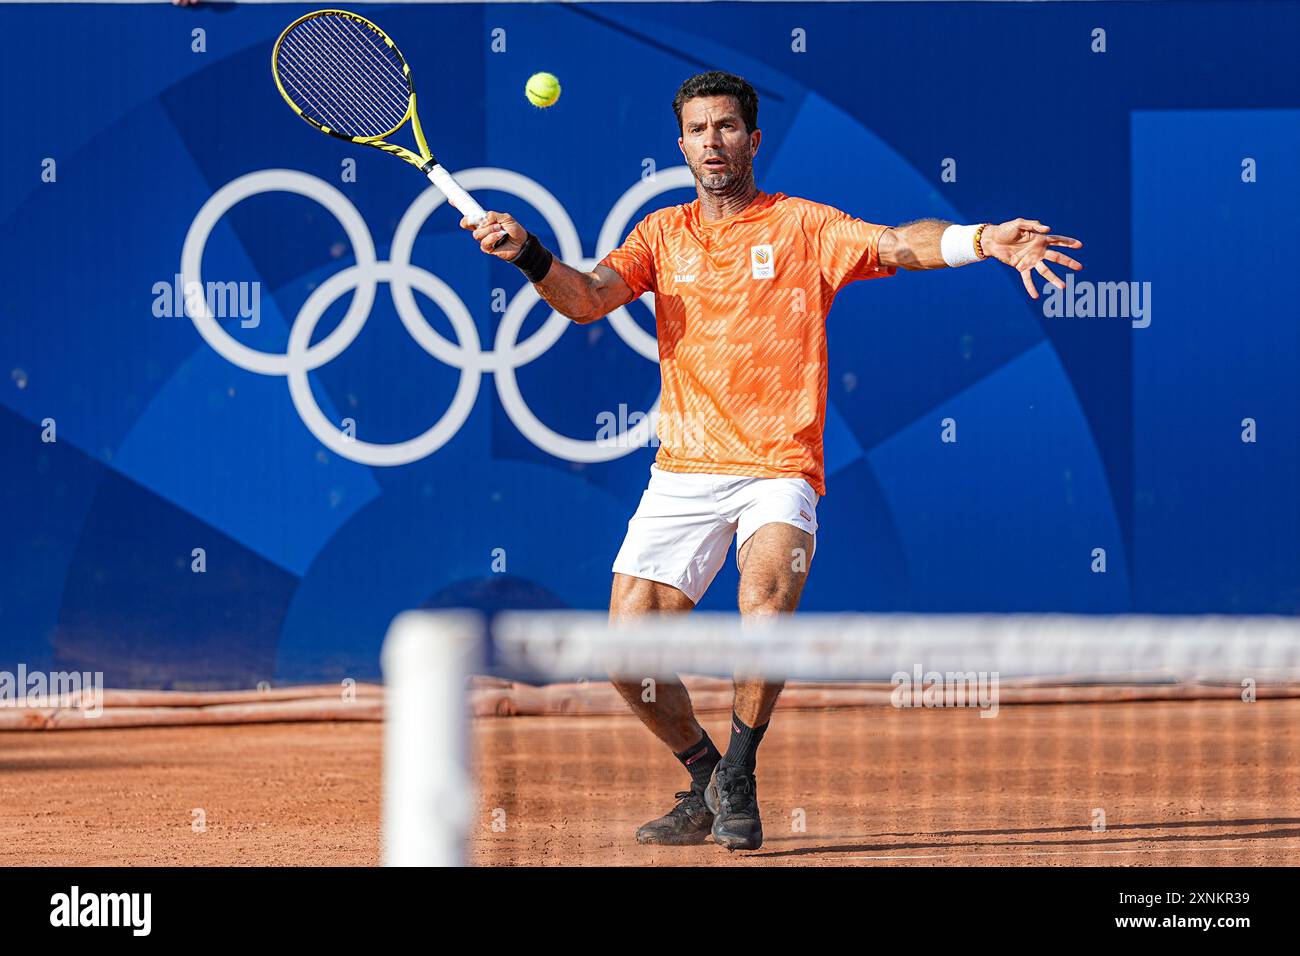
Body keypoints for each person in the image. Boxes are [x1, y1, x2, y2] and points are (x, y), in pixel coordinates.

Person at [462, 70, 1083, 852]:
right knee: (626, 656)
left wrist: (979, 240)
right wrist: (528, 253)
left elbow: (897, 244)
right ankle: (704, 775)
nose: (713, 141)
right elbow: (586, 296)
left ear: (753, 140)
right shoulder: (660, 235)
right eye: (699, 129)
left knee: (767, 598)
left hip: (779, 466)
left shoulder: (803, 227)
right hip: (684, 471)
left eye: (727, 127)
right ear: (681, 145)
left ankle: (742, 776)